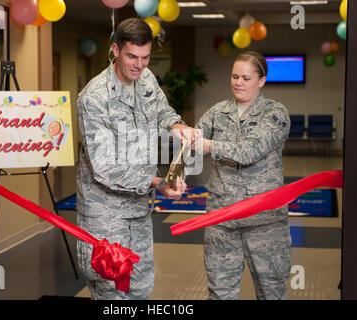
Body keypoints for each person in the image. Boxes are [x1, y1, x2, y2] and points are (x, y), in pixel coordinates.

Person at [75, 18, 194, 300]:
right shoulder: (93, 98)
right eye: (131, 56)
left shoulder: (147, 78)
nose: (139, 65)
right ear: (115, 50)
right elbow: (104, 168)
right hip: (106, 216)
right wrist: (156, 181)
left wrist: (177, 125)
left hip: (138, 209)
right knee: (112, 292)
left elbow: (162, 111)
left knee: (140, 288)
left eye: (145, 57)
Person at [194, 51, 292, 300]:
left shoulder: (275, 114)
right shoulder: (218, 112)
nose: (238, 82)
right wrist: (178, 162)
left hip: (264, 220)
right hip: (222, 219)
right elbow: (191, 146)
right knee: (220, 292)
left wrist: (206, 145)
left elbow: (250, 152)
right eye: (235, 76)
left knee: (271, 291)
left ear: (261, 81)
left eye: (246, 78)